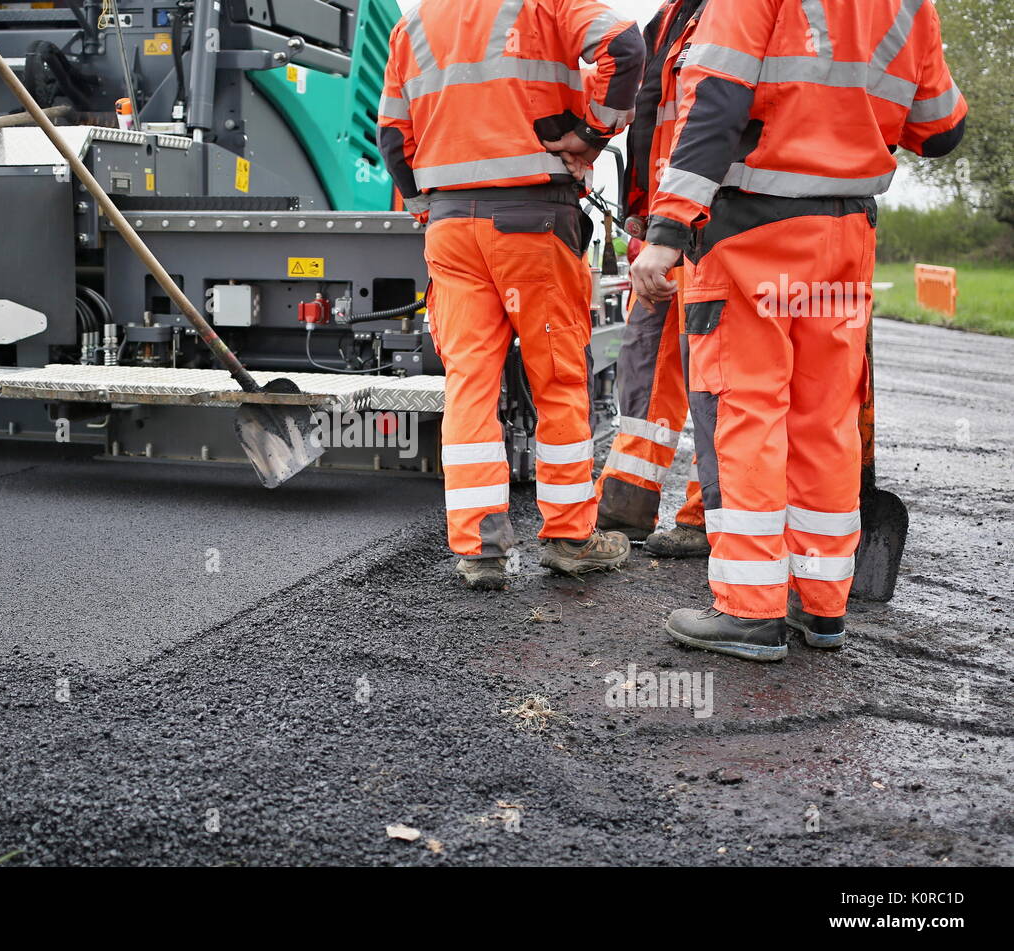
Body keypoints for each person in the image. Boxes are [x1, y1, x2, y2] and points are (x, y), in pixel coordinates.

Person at [630, 0, 966, 659]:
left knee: (748, 409)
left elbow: (718, 105)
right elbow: (941, 129)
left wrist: (666, 230)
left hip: (753, 232)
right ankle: (821, 606)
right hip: (845, 233)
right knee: (824, 418)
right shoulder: (908, 5)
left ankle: (749, 610)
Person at [377, 0, 646, 590]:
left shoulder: (415, 23)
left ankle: (480, 550)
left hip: (451, 229)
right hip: (533, 221)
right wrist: (591, 133)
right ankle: (571, 537)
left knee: (469, 382)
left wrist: (426, 205)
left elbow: (394, 138)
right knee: (557, 377)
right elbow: (624, 47)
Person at [581, 0, 712, 559]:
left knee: (718, 377)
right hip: (665, 226)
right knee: (643, 367)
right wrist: (645, 216)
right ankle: (626, 502)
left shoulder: (748, 14)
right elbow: (649, 112)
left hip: (716, 225)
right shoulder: (670, 17)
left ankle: (712, 515)